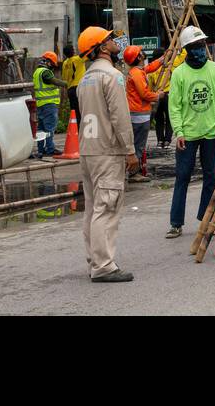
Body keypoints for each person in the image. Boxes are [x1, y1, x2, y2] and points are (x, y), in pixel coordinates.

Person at [75, 27, 138, 282]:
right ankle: (103, 266)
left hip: (88, 151)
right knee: (107, 208)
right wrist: (130, 151)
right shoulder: (112, 76)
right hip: (107, 152)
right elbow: (120, 117)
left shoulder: (85, 79)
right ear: (102, 48)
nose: (115, 42)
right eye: (110, 39)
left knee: (92, 209)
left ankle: (94, 260)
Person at [166, 26, 215, 240]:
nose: (200, 50)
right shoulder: (179, 74)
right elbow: (174, 106)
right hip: (188, 135)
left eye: (201, 45)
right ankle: (176, 223)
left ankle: (205, 216)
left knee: (210, 176)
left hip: (211, 133)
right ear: (186, 50)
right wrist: (179, 132)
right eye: (194, 47)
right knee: (182, 177)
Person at [122, 45, 161, 182]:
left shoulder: (136, 71)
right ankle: (134, 173)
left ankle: (134, 171)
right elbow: (144, 94)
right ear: (138, 57)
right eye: (141, 52)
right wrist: (157, 96)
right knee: (138, 145)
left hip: (137, 113)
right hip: (139, 114)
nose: (143, 53)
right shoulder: (137, 73)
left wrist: (161, 60)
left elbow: (150, 67)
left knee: (138, 144)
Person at [32, 51, 67, 159]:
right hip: (48, 105)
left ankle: (41, 150)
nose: (52, 66)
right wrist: (66, 84)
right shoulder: (45, 72)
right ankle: (50, 149)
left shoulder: (37, 72)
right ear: (48, 62)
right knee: (49, 128)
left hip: (40, 105)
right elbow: (52, 80)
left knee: (41, 129)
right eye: (52, 63)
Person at [62, 45, 87, 131]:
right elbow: (87, 53)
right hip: (79, 87)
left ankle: (77, 130)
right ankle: (84, 130)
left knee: (75, 112)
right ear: (73, 51)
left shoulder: (65, 63)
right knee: (83, 110)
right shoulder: (79, 59)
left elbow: (64, 78)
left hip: (70, 89)